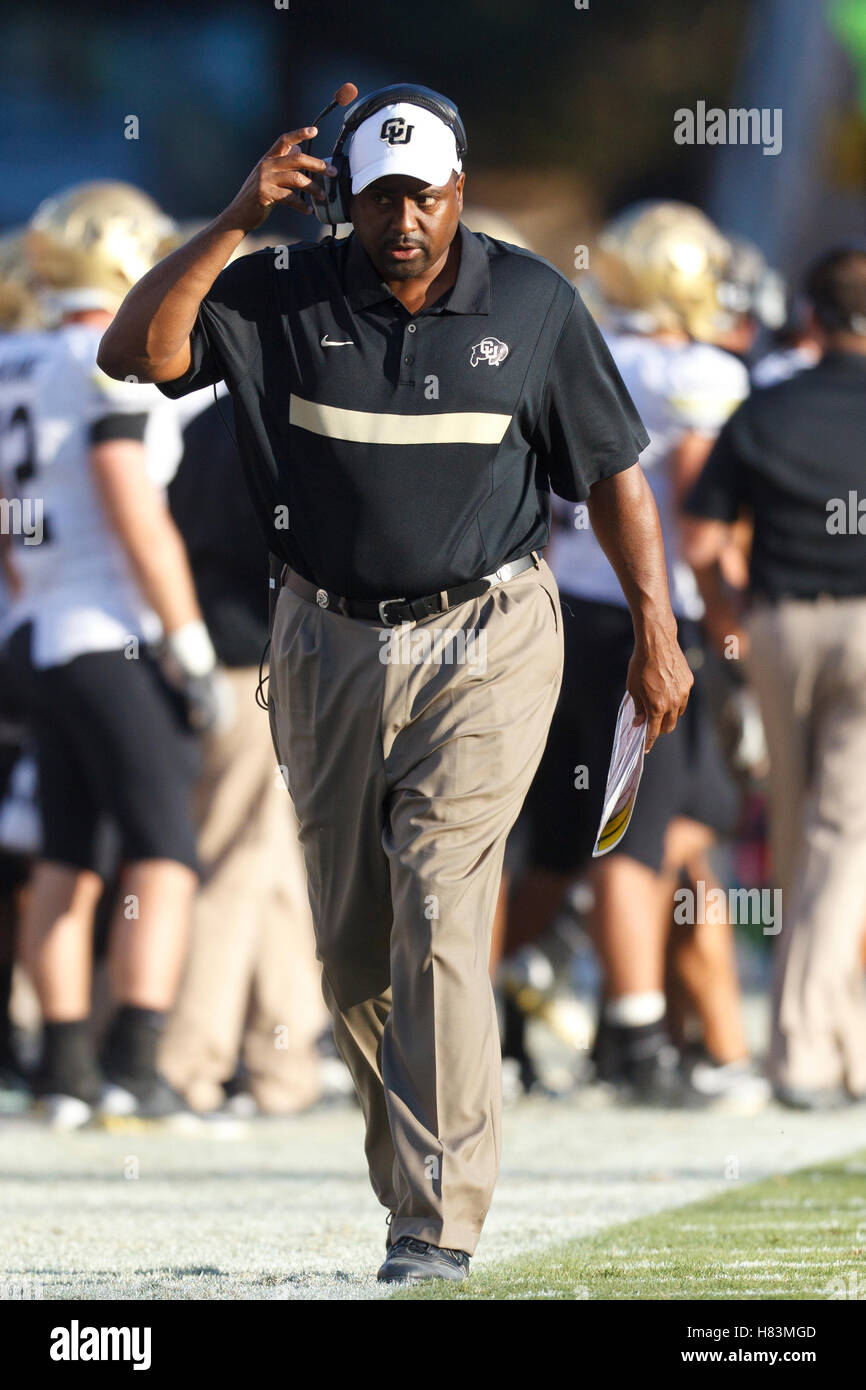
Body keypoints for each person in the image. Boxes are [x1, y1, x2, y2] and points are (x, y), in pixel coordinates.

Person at [97, 82, 691, 1282]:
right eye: (380, 198)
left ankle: (438, 1218)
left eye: (424, 194)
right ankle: (413, 1174)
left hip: (487, 634)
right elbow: (135, 353)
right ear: (346, 201)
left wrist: (654, 628)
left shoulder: (530, 299)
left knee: (436, 900)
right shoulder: (279, 288)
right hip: (321, 639)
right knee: (354, 952)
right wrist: (228, 221)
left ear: (458, 189)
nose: (404, 219)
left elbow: (615, 471)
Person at [503, 202, 768, 1111]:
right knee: (634, 839)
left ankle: (501, 990)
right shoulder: (696, 373)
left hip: (561, 614)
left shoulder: (568, 345)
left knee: (558, 839)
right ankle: (634, 1035)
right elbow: (700, 520)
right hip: (647, 622)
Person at [0, 181, 229, 1129]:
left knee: (67, 851)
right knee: (163, 849)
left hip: (36, 632)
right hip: (110, 631)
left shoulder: (13, 359)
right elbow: (129, 501)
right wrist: (185, 640)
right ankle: (135, 1062)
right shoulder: (104, 366)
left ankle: (63, 1069)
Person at [683, 244, 866, 1110]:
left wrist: (731, 623)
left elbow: (702, 540)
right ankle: (805, 1050)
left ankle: (839, 1037)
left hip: (779, 627)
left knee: (800, 832)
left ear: (812, 319)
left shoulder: (766, 407)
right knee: (840, 836)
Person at [159, 390, 327, 1115]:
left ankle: (282, 1066)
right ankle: (185, 1061)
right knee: (235, 859)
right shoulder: (281, 422)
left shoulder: (203, 424)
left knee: (274, 864)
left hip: (222, 652)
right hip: (250, 658)